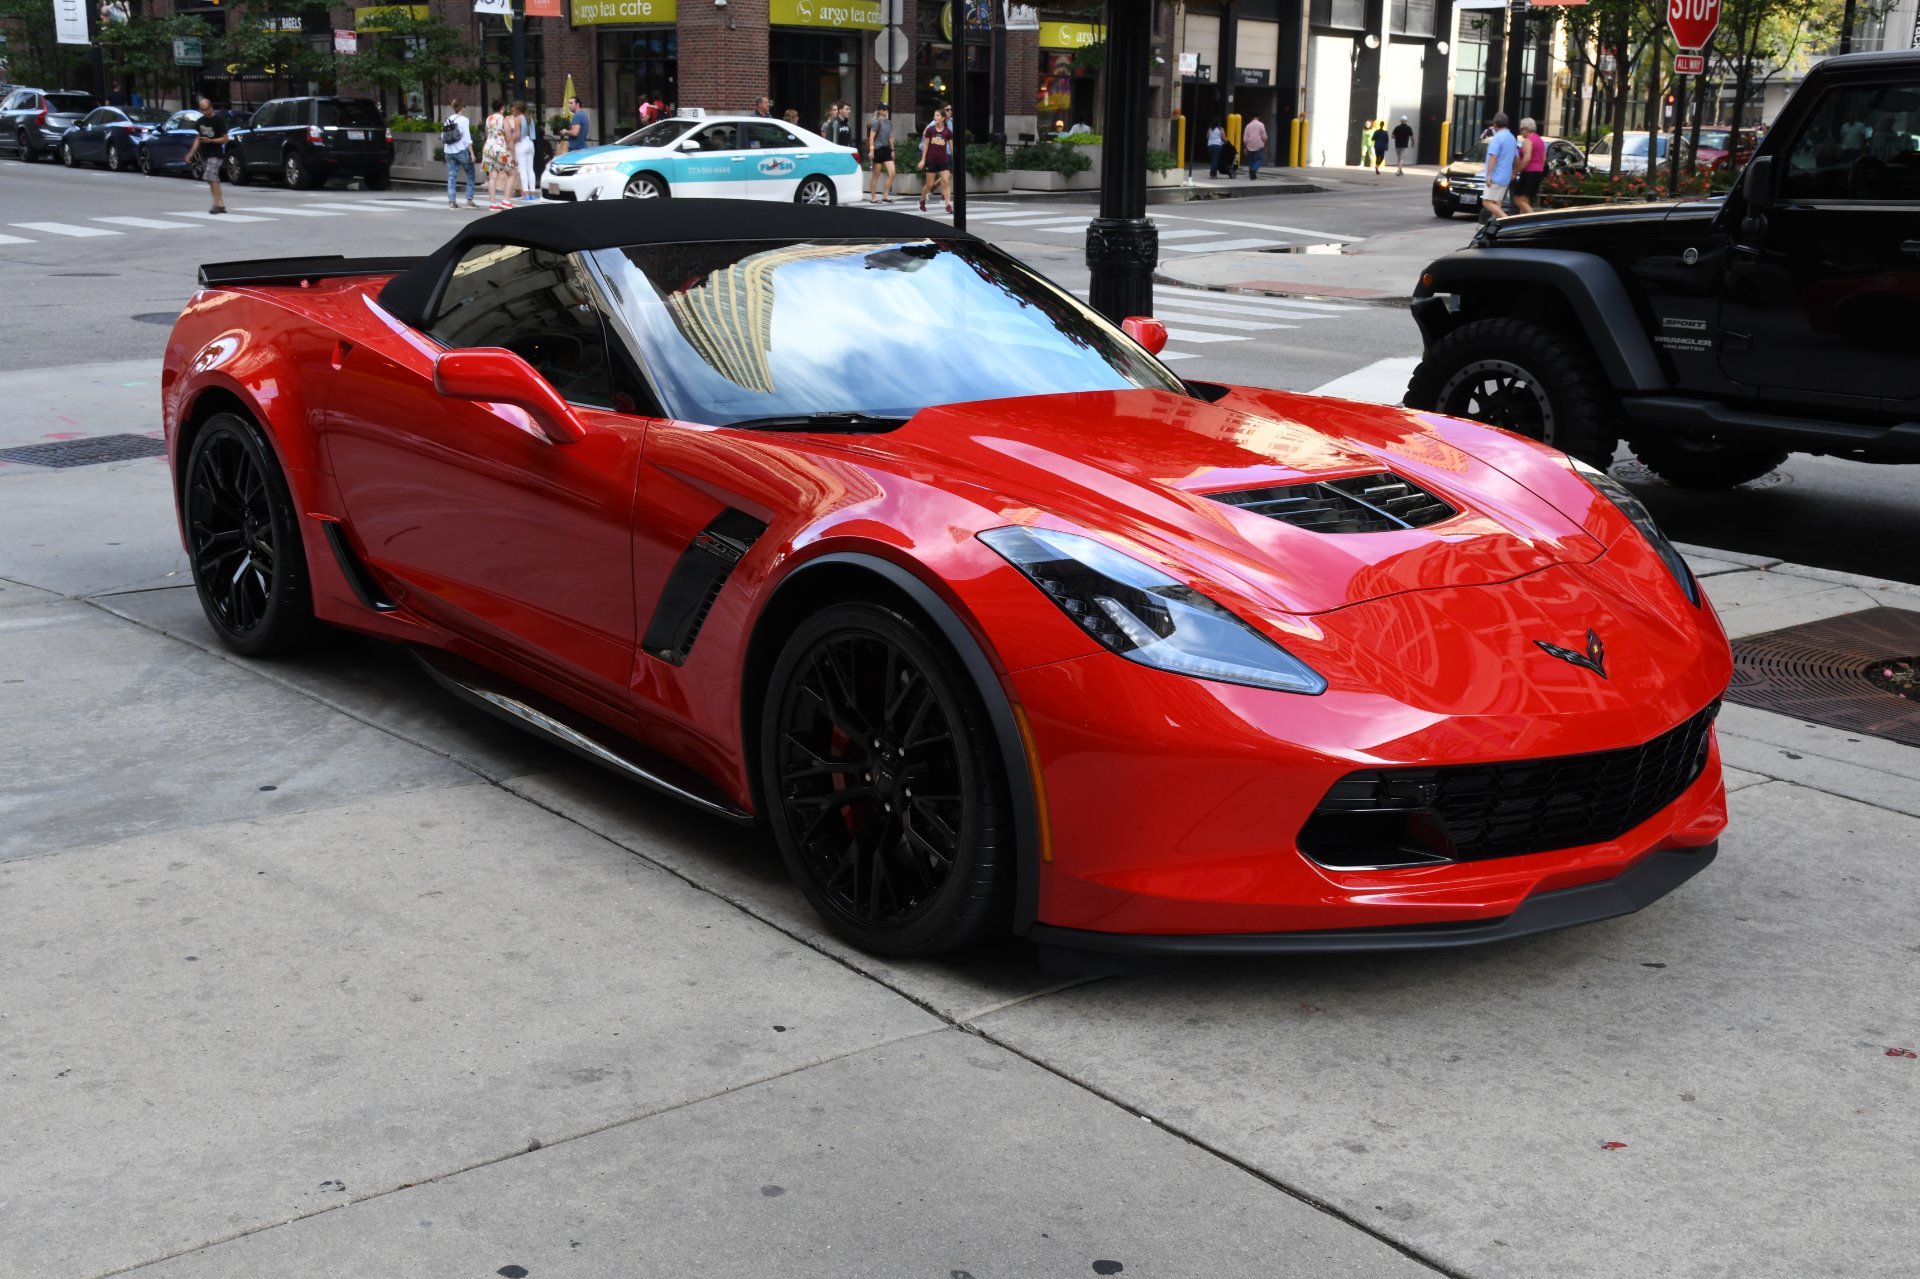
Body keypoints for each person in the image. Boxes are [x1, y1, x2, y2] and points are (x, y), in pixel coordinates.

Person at [182, 96, 230, 215]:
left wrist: (211, 140)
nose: (204, 112)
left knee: (211, 176)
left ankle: (217, 204)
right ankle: (221, 204)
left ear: (211, 108)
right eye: (201, 110)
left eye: (206, 109)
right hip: (205, 153)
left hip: (216, 154)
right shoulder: (200, 121)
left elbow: (225, 139)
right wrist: (191, 153)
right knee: (212, 180)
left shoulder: (218, 120)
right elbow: (198, 138)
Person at [1481, 111, 1517, 221]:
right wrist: (1514, 172)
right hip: (1506, 177)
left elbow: (1493, 157)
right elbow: (1517, 157)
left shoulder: (1497, 138)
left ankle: (1508, 221)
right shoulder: (1512, 138)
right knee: (1497, 203)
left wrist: (1489, 176)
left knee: (1487, 202)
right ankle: (1497, 226)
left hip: (1496, 176)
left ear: (1495, 124)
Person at [919, 104, 954, 214]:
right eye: (935, 115)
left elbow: (952, 147)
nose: (935, 117)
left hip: (943, 160)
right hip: (931, 160)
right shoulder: (930, 130)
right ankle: (922, 199)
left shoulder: (948, 132)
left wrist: (955, 158)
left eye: (938, 115)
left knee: (946, 181)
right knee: (930, 184)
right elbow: (925, 146)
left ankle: (948, 205)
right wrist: (923, 160)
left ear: (943, 118)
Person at [443, 97, 475, 209]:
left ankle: (452, 201)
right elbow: (467, 138)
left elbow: (443, 136)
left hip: (448, 151)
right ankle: (469, 199)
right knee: (470, 173)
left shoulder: (448, 119)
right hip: (460, 150)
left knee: (452, 176)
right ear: (462, 107)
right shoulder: (464, 120)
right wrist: (472, 153)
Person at [1513, 116, 1546, 214]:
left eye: (1521, 129)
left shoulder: (1528, 140)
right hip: (1538, 172)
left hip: (1529, 172)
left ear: (1526, 129)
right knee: (1525, 199)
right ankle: (1523, 220)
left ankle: (1533, 218)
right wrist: (1539, 168)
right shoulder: (1539, 140)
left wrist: (1516, 171)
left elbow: (1526, 158)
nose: (1520, 131)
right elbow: (1544, 158)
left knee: (1518, 199)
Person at [483, 99, 512, 209]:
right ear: (502, 108)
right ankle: (506, 200)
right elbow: (509, 138)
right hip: (500, 148)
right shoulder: (503, 119)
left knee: (492, 176)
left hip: (488, 148)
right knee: (512, 173)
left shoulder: (488, 119)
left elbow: (487, 134)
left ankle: (493, 203)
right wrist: (513, 154)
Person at [867, 102, 895, 203]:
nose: (886, 110)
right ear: (879, 110)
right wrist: (871, 151)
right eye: (884, 109)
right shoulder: (876, 122)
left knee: (892, 173)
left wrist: (892, 150)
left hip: (886, 149)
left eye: (887, 108)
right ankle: (873, 197)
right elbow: (871, 137)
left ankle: (885, 195)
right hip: (877, 149)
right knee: (876, 174)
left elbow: (890, 137)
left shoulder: (889, 122)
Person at [512, 101, 536, 203]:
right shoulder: (529, 118)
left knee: (522, 169)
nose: (512, 109)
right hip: (530, 143)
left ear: (517, 108)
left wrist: (511, 142)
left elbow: (517, 135)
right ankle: (532, 193)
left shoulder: (517, 119)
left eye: (513, 107)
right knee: (530, 169)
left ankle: (525, 193)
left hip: (521, 144)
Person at [1242, 114, 1267, 179]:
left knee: (1251, 160)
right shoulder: (1261, 124)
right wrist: (1264, 143)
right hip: (1258, 144)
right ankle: (1254, 170)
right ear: (1258, 117)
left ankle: (1251, 175)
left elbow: (1245, 138)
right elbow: (1264, 135)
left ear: (1251, 117)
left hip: (1249, 145)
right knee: (1259, 159)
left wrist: (1245, 147)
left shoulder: (1248, 125)